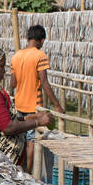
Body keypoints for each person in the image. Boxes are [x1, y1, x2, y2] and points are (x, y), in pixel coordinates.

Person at [10, 25, 60, 170]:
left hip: (19, 103)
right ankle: (28, 172)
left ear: (27, 38)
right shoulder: (40, 55)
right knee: (32, 140)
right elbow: (44, 83)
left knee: (21, 138)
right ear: (42, 40)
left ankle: (18, 167)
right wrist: (57, 105)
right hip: (34, 106)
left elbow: (12, 83)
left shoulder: (16, 56)